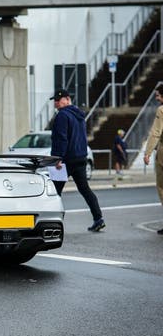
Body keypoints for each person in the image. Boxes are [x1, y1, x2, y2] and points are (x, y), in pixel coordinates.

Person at [50, 88, 105, 231]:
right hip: (80, 158)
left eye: (58, 100)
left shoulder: (62, 115)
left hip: (65, 161)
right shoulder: (79, 115)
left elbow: (61, 139)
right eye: (55, 100)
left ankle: (53, 223)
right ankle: (98, 218)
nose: (56, 103)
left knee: (55, 192)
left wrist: (57, 158)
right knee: (85, 189)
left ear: (67, 99)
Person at [143, 82, 163, 234]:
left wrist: (148, 152)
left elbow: (156, 132)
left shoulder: (161, 110)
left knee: (162, 188)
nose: (156, 98)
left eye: (158, 95)